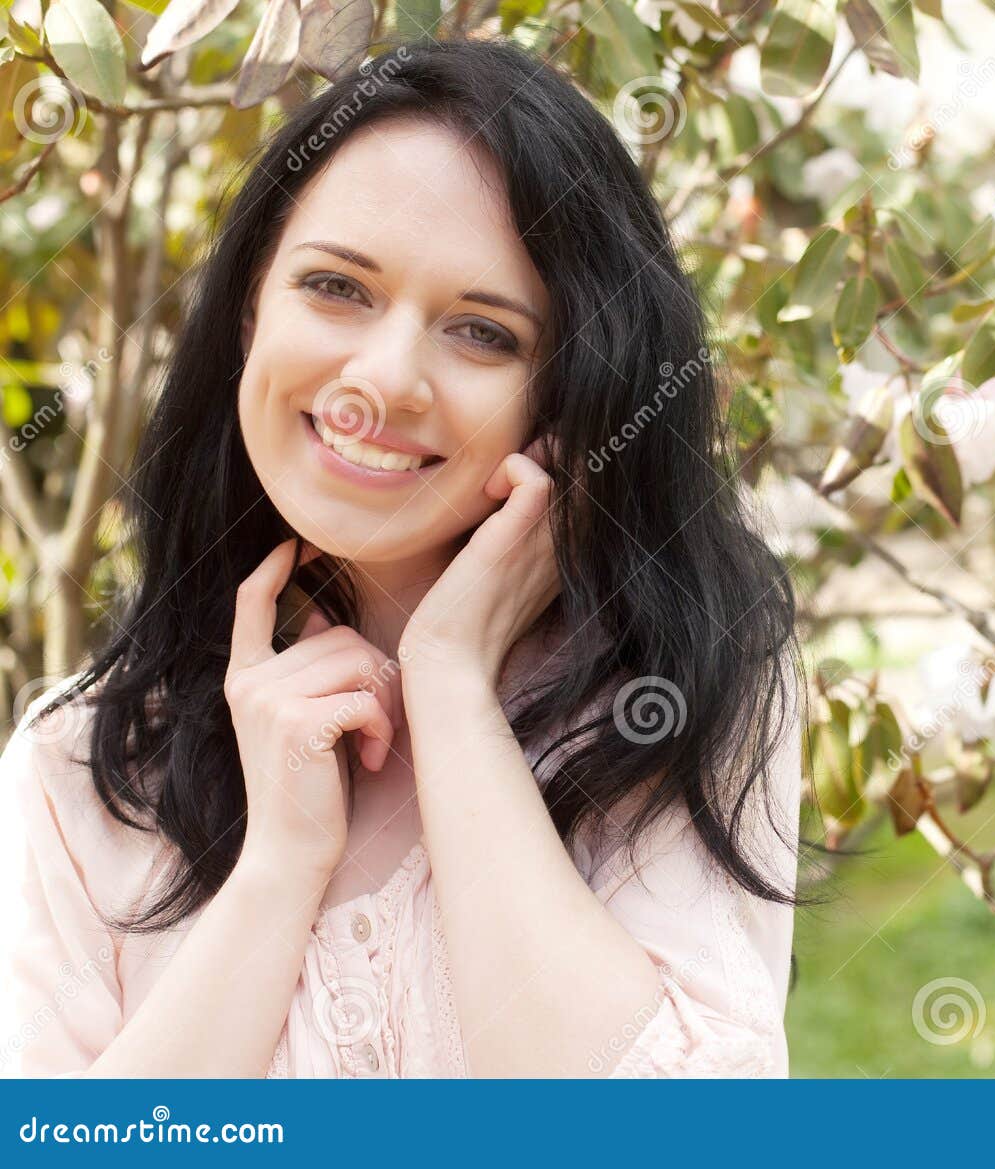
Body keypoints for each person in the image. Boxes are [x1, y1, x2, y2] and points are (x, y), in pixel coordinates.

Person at [0, 36, 804, 1078]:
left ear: (568, 394)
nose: (381, 379)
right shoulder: (76, 774)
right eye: (336, 286)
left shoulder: (674, 693)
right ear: (252, 309)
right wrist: (281, 870)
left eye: (482, 332)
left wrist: (451, 683)